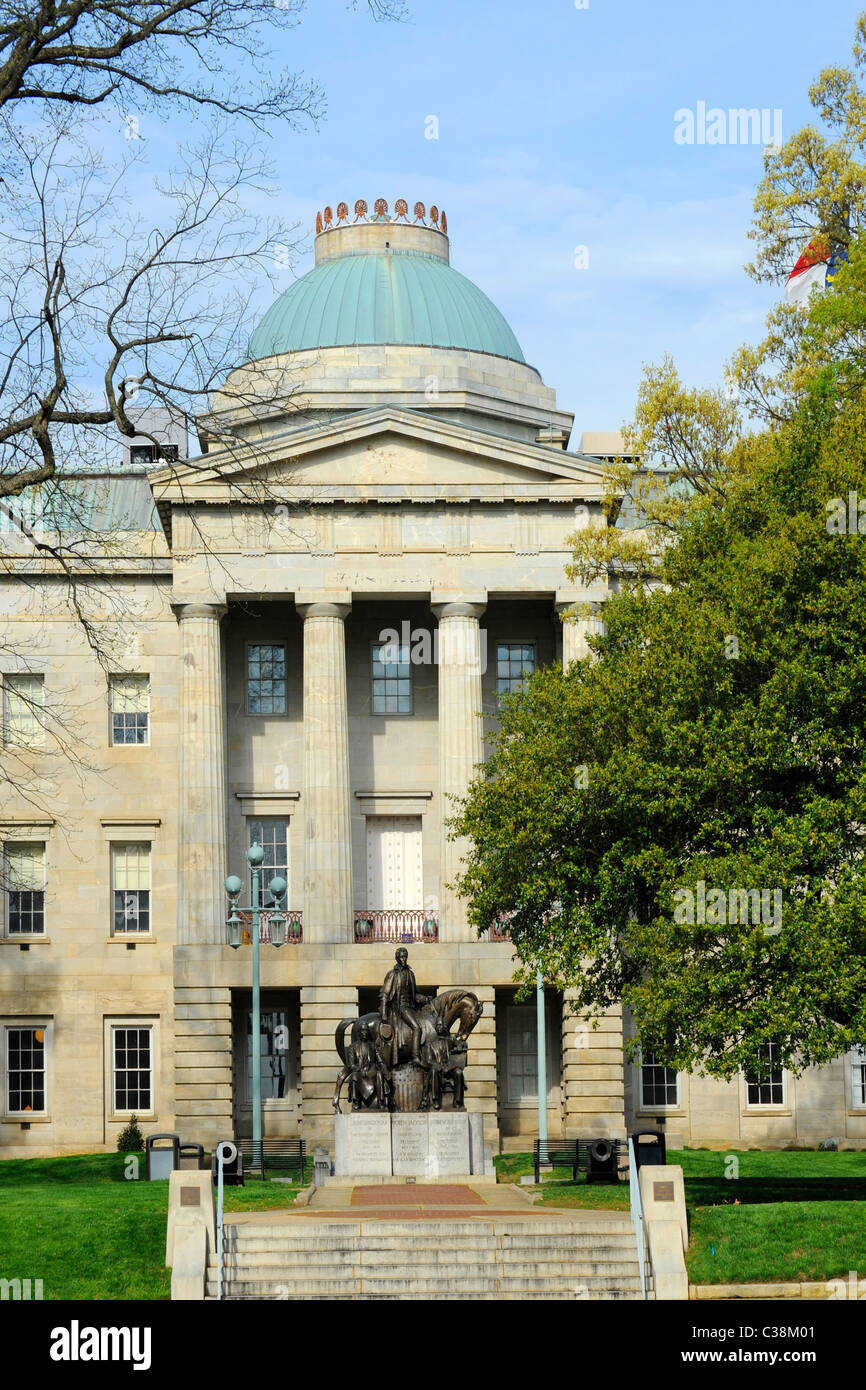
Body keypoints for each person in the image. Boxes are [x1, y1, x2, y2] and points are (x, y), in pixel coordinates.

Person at [379, 946, 424, 1065]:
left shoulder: (411, 974)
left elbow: (415, 996)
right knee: (416, 1027)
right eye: (401, 957)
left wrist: (426, 998)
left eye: (405, 956)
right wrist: (383, 1013)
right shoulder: (392, 974)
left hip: (411, 1008)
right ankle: (415, 1057)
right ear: (397, 958)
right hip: (401, 1009)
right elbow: (385, 994)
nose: (404, 959)